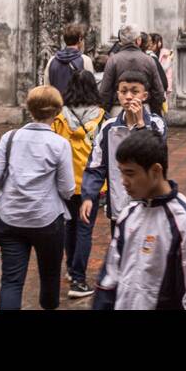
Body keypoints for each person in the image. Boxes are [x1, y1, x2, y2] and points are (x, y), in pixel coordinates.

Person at [93, 128, 186, 310]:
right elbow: (109, 278)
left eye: (130, 173)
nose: (123, 181)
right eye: (121, 172)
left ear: (155, 171)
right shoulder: (128, 215)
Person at [0, 85, 74, 311]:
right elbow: (67, 189)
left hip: (11, 216)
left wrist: (10, 187)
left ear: (30, 109)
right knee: (50, 275)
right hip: (47, 219)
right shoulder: (60, 144)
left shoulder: (10, 137)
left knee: (12, 280)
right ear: (57, 112)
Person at [81, 72, 166, 228]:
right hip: (119, 205)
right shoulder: (109, 128)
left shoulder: (156, 124)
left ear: (144, 95)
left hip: (148, 204)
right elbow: (96, 166)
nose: (128, 96)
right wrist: (88, 195)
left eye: (134, 92)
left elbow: (154, 156)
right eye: (123, 91)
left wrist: (140, 123)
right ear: (117, 94)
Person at [51, 70, 106, 298]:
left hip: (66, 181)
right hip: (90, 183)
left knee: (70, 226)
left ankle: (71, 270)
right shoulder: (101, 117)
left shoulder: (60, 116)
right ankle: (79, 279)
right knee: (85, 229)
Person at [99, 24, 167, 115]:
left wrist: (105, 111)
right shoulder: (148, 60)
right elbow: (158, 91)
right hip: (143, 108)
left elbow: (104, 91)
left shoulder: (113, 60)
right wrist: (154, 110)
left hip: (118, 109)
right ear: (138, 40)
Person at [43, 23, 93, 99]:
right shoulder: (85, 60)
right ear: (80, 39)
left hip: (57, 107)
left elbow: (47, 88)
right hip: (77, 108)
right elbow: (90, 89)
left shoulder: (52, 61)